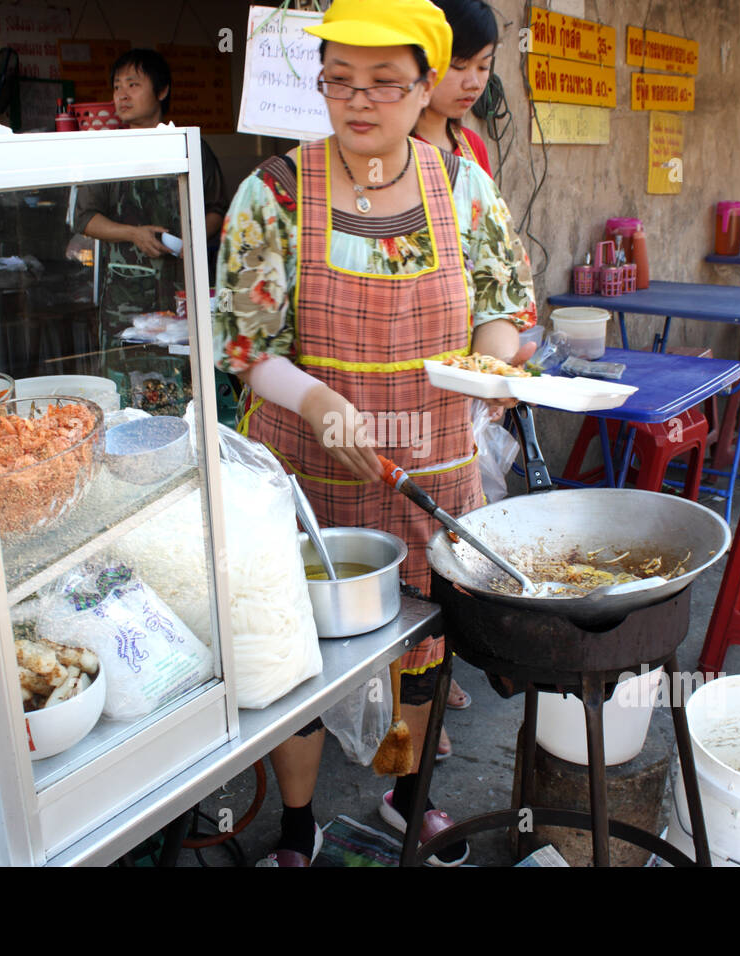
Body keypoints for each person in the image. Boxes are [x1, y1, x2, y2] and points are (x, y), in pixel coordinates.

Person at [212, 0, 535, 867]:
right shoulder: (273, 192)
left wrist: (494, 371)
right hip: (307, 466)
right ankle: (294, 822)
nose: (359, 102)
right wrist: (320, 404)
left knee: (426, 643)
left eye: (386, 84)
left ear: (426, 86)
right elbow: (246, 343)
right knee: (299, 649)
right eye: (339, 82)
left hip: (430, 465)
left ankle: (408, 797)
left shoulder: (463, 184)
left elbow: (503, 309)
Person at [413, 0, 499, 759]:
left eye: (483, 66)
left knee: (448, 546)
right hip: (387, 386)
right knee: (395, 546)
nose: (470, 81)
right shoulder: (385, 149)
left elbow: (493, 273)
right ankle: (393, 699)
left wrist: (493, 361)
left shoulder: (471, 154)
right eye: (456, 66)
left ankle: (430, 680)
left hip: (456, 391)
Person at [73, 49, 228, 399]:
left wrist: (190, 239)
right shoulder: (108, 151)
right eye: (116, 87)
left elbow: (217, 209)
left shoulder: (190, 148)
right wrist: (133, 234)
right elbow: (85, 219)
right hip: (125, 303)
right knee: (128, 387)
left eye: (133, 84)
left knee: (186, 388)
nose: (121, 95)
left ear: (161, 91)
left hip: (182, 292)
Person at [413, 0, 496, 175]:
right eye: (459, 65)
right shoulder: (393, 152)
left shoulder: (474, 146)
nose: (473, 83)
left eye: (483, 66)